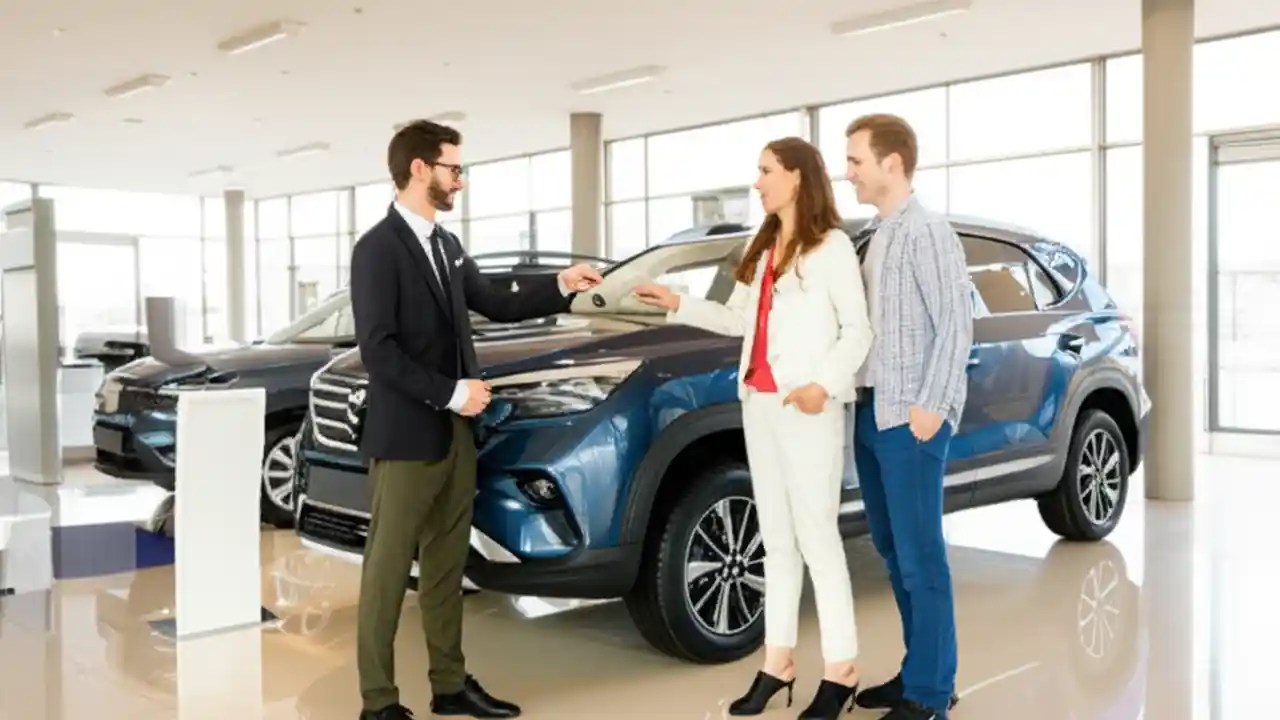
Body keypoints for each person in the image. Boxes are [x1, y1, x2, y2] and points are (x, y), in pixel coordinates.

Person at [348, 119, 603, 720]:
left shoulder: (448, 245)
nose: (461, 180)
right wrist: (449, 393)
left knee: (445, 565)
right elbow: (379, 350)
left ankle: (449, 685)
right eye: (454, 168)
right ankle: (378, 701)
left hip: (458, 434)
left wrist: (560, 285)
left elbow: (498, 301)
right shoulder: (377, 249)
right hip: (410, 434)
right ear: (419, 169)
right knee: (387, 573)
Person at [634, 137, 873, 719]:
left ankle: (841, 670)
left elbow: (858, 331)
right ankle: (777, 663)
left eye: (766, 171)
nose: (758, 181)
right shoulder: (765, 248)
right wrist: (677, 301)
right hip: (759, 405)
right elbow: (738, 319)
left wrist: (823, 385)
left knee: (817, 539)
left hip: (806, 407)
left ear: (796, 177)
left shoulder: (832, 248)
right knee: (778, 540)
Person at [843, 113, 971, 720]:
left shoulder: (928, 231)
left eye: (856, 161)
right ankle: (919, 668)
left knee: (922, 557)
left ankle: (929, 694)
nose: (849, 173)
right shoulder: (877, 233)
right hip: (874, 413)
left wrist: (933, 408)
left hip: (910, 417)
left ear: (891, 163)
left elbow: (957, 323)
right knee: (894, 553)